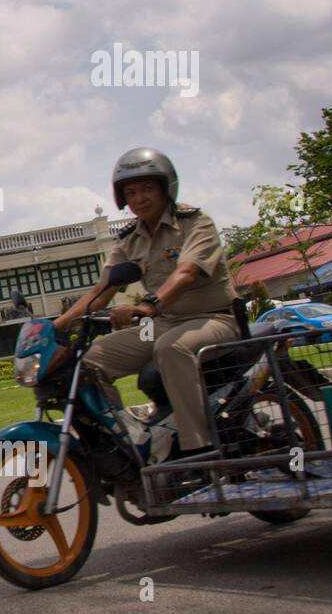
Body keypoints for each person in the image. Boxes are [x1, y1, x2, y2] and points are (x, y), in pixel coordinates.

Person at [53, 148, 240, 459]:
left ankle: (200, 450)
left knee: (170, 348)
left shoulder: (196, 222)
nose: (139, 198)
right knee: (89, 363)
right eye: (131, 191)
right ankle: (133, 443)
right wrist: (56, 327)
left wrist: (149, 306)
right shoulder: (129, 239)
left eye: (147, 188)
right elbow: (104, 289)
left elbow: (187, 272)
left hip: (214, 319)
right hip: (164, 323)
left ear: (166, 187)